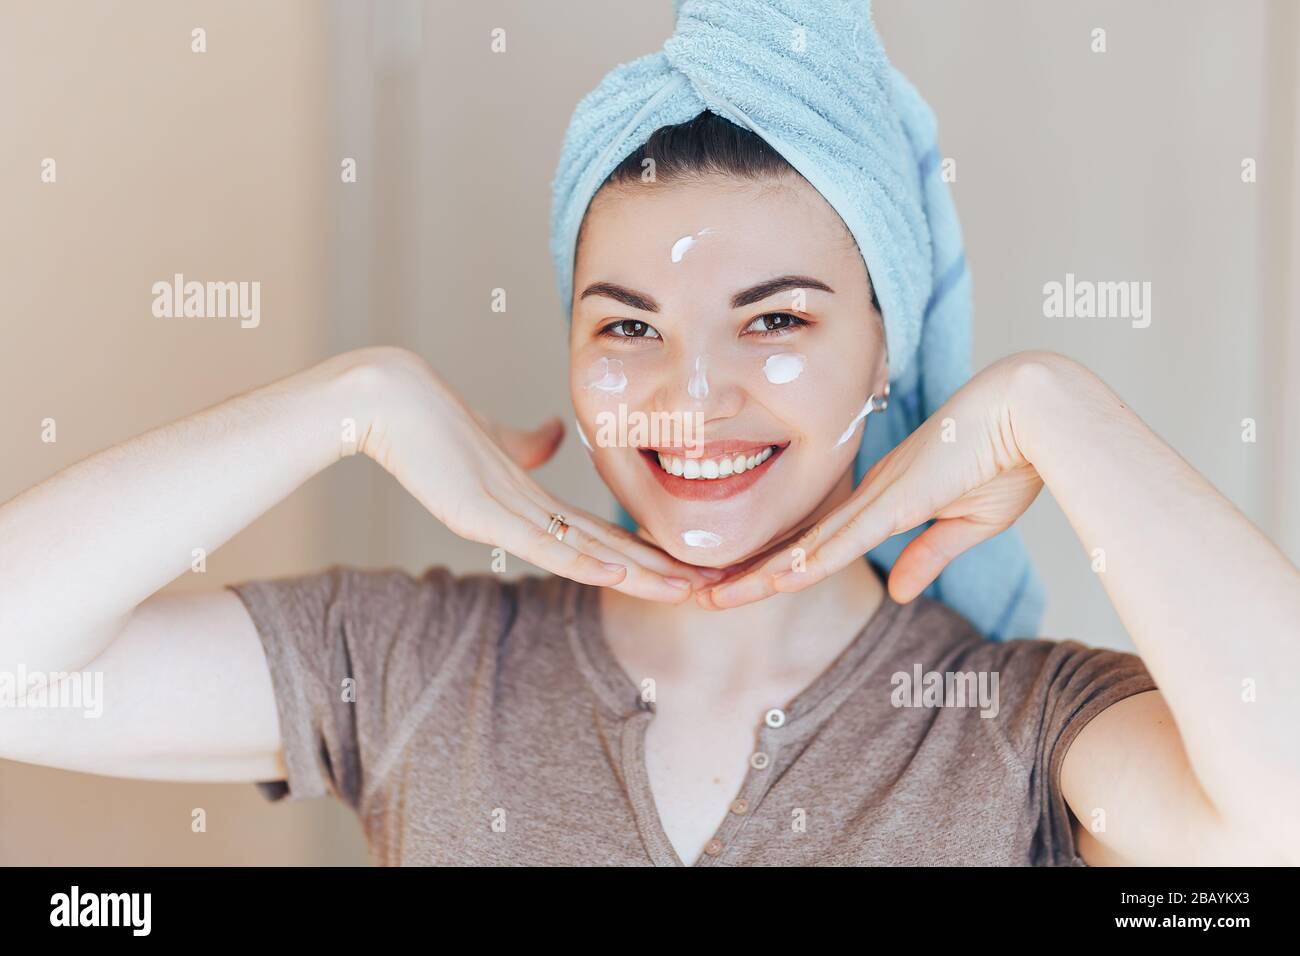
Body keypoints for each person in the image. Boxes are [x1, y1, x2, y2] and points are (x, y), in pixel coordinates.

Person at [3, 15, 1298, 867]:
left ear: (886, 352)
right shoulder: (417, 665)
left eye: (775, 319)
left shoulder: (1016, 725)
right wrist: (354, 398)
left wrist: (1054, 409)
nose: (693, 394)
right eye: (629, 327)